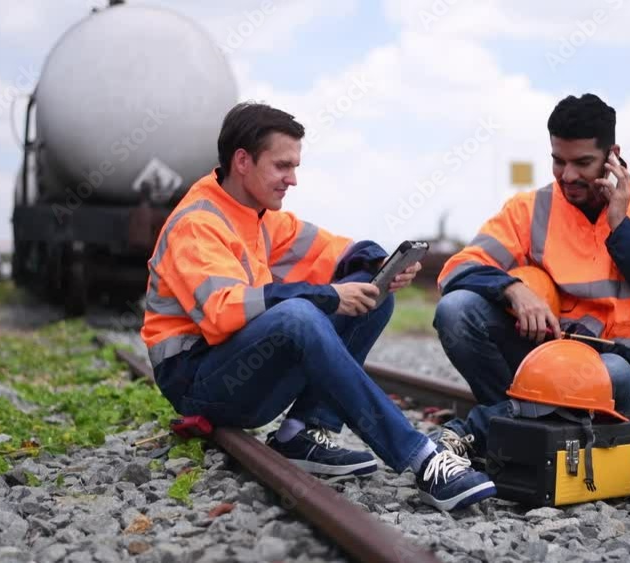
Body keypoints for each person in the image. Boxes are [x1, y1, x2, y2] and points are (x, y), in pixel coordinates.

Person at [140, 101, 496, 511]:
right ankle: (423, 460)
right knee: (300, 314)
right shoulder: (198, 223)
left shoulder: (258, 216)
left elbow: (334, 249)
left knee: (369, 294)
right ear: (242, 161)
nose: (292, 179)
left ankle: (303, 432)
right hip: (198, 383)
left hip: (235, 369)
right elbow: (223, 312)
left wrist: (378, 265)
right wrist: (328, 296)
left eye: (295, 167)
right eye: (282, 166)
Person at [430, 93, 630, 458]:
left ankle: (481, 431)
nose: (568, 175)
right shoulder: (531, 208)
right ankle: (525, 427)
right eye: (557, 161)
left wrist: (621, 225)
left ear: (613, 156)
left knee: (594, 378)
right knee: (456, 310)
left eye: (582, 162)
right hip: (541, 360)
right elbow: (456, 270)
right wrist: (511, 288)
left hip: (618, 367)